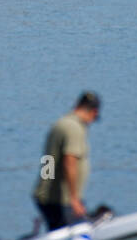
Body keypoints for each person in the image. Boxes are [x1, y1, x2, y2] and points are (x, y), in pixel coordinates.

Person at [33, 92, 100, 231]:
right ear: (94, 112)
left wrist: (45, 186)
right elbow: (69, 162)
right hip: (63, 200)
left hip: (47, 196)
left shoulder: (60, 124)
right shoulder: (74, 128)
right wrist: (74, 199)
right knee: (79, 234)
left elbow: (48, 159)